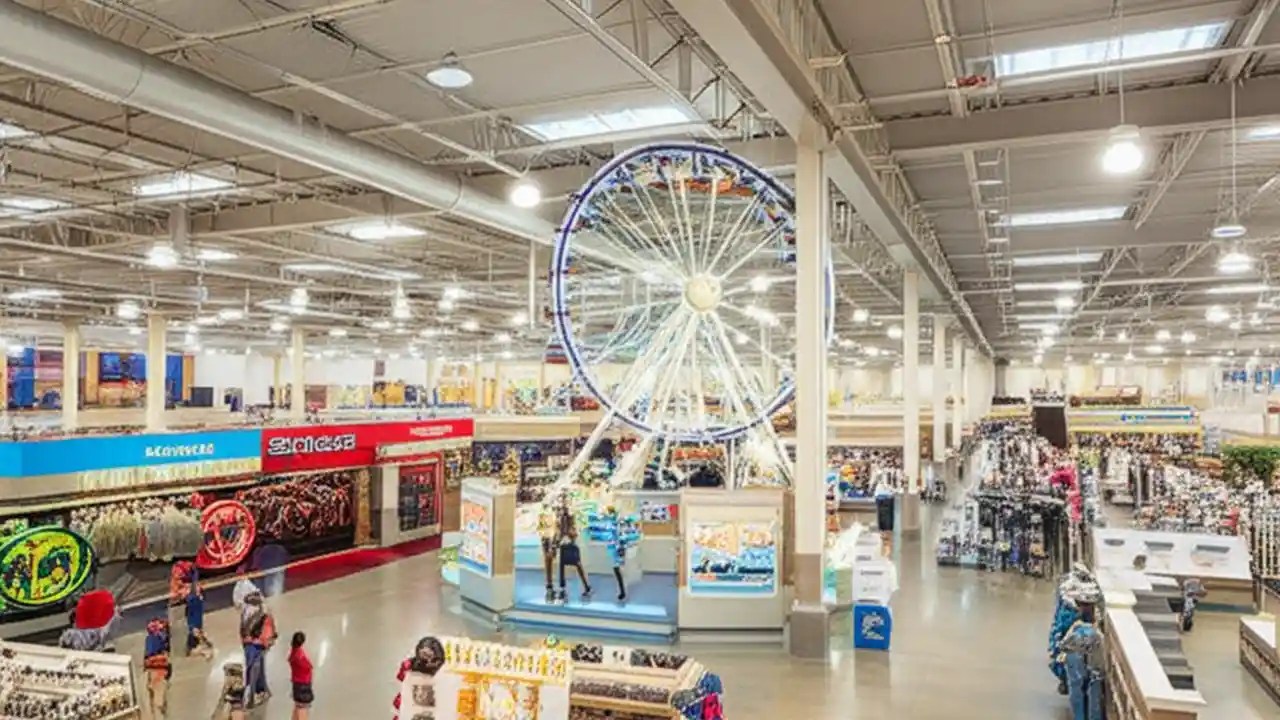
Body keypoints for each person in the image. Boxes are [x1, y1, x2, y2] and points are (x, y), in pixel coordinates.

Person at [240, 588, 277, 708]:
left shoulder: (247, 611)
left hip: (251, 644)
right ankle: (254, 693)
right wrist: (267, 641)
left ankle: (258, 691)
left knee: (254, 667)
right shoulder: (261, 612)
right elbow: (269, 629)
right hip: (256, 644)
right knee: (255, 668)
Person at [288, 632, 314, 720]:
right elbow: (308, 666)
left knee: (297, 707)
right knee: (302, 709)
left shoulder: (294, 652)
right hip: (303, 684)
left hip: (297, 683)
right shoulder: (299, 655)